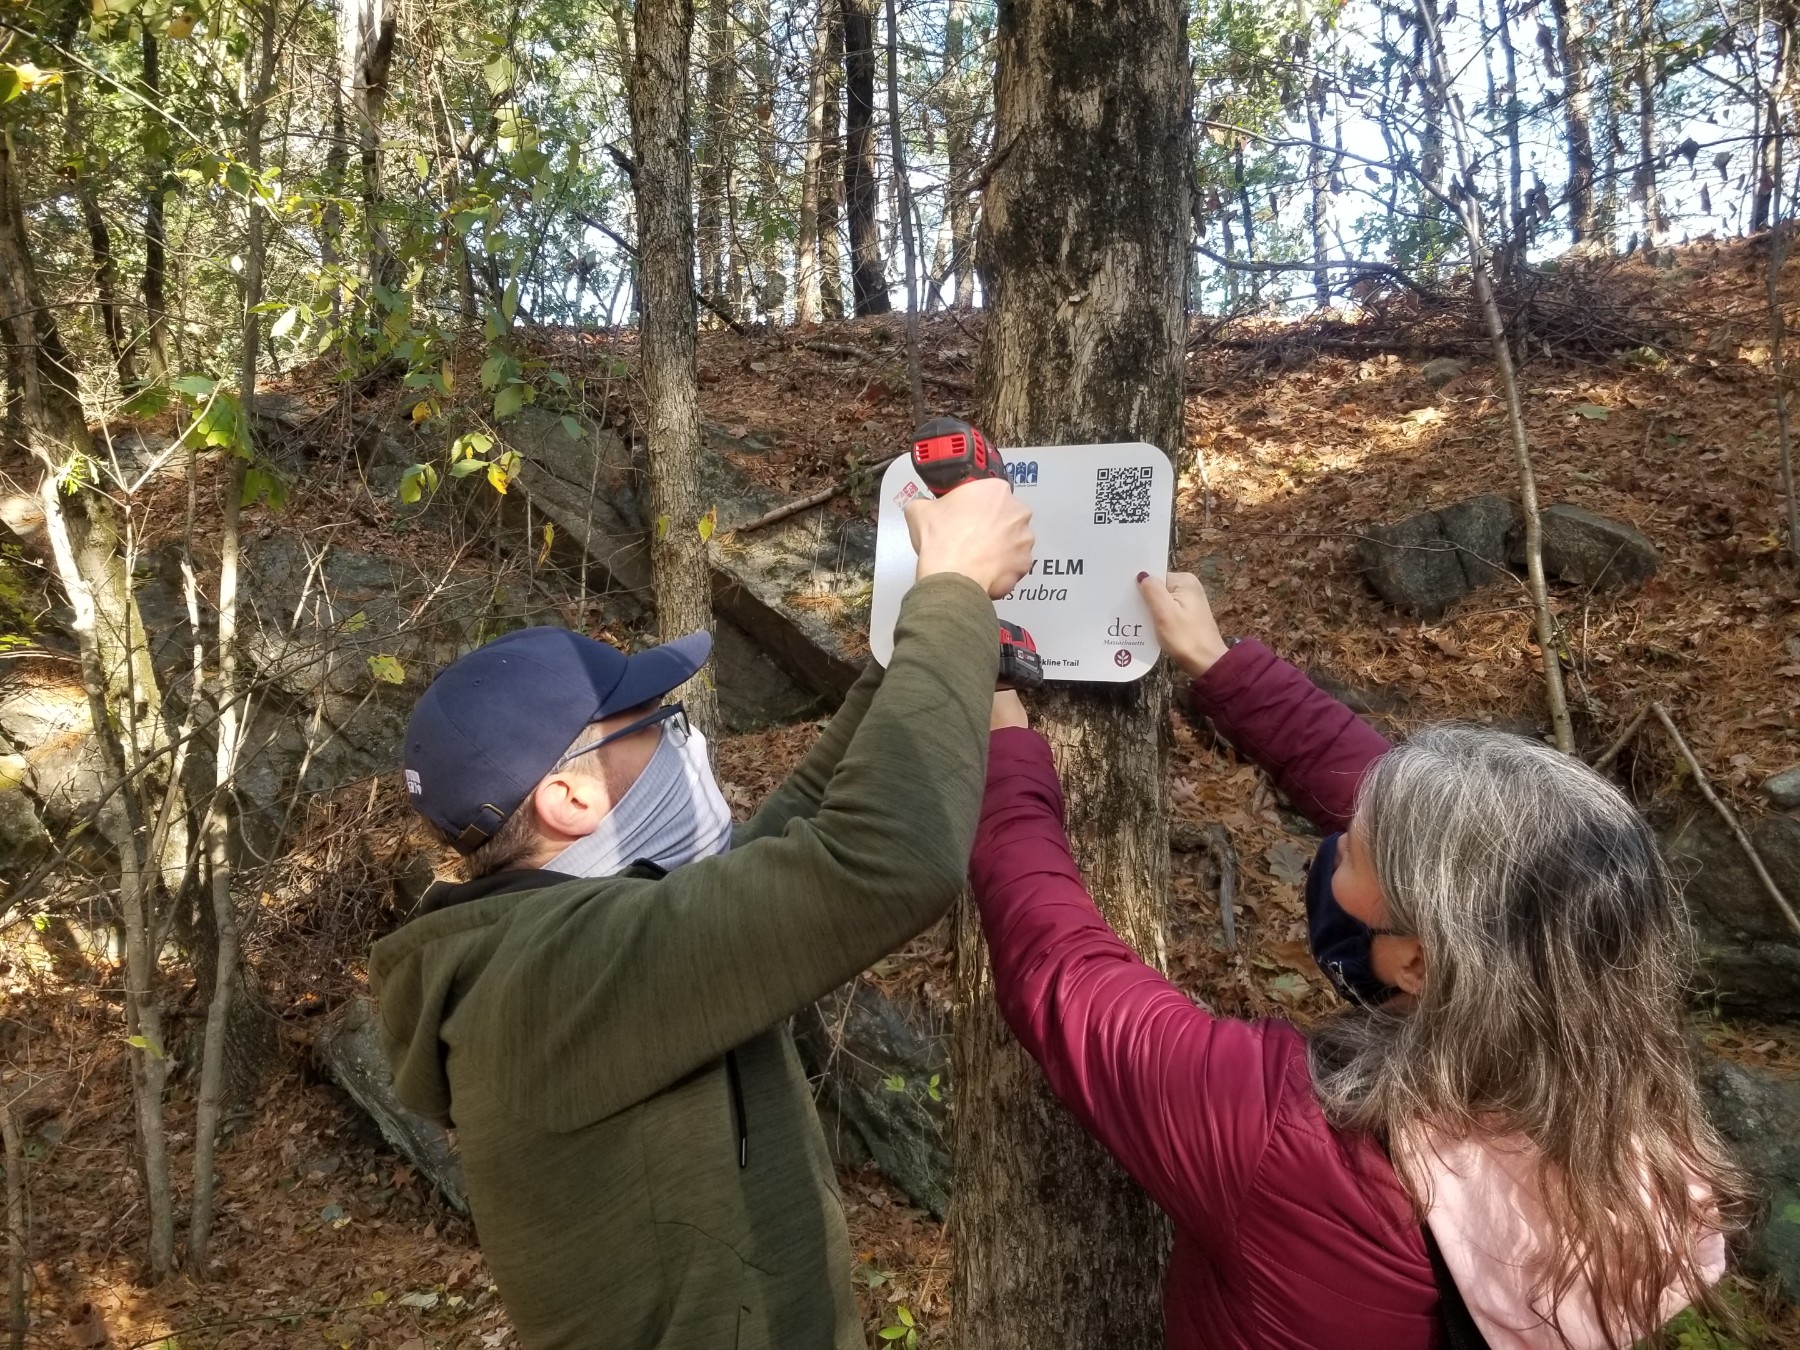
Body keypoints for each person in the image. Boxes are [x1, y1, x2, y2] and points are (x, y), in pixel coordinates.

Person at [970, 571, 1752, 1350]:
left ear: (1415, 964)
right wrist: (1225, 668)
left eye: (1354, 852)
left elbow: (1060, 966)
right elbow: (1462, 847)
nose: (1336, 842)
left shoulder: (1290, 1146)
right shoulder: (1631, 1117)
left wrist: (1003, 738)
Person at [371, 478, 1033, 1350]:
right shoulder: (557, 976)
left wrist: (908, 647)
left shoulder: (551, 944)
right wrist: (953, 596)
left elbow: (788, 834)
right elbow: (882, 862)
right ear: (569, 797)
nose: (690, 739)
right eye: (655, 722)